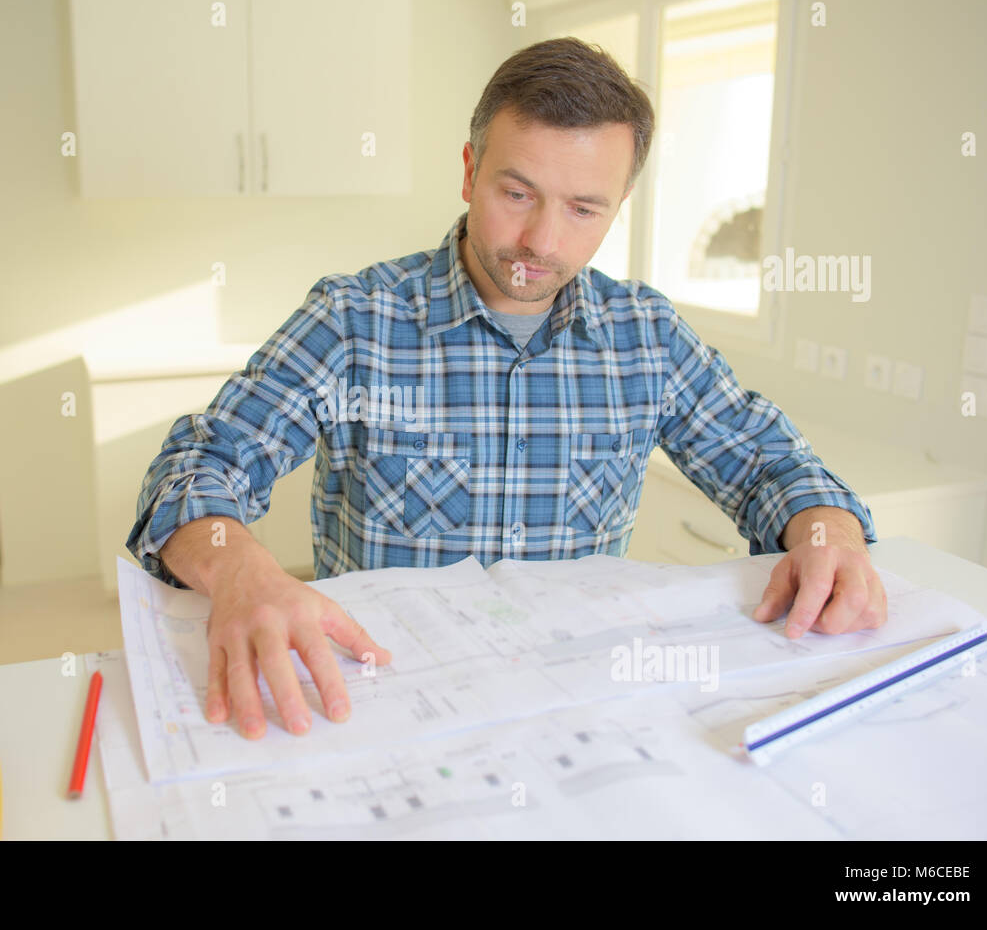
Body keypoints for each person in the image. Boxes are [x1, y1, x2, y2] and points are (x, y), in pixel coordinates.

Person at [127, 37, 884, 742]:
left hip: (579, 708)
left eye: (584, 209)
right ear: (468, 170)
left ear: (617, 205)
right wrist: (244, 573)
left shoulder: (646, 336)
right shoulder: (356, 320)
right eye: (517, 194)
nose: (542, 243)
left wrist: (829, 533)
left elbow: (767, 461)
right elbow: (196, 467)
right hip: (384, 705)